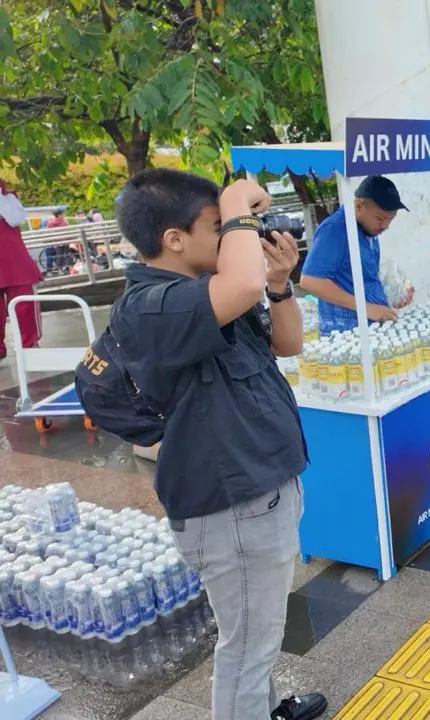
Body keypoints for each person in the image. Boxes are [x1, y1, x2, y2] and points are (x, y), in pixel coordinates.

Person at [111, 169, 325, 720]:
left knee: (258, 631)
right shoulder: (151, 305)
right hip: (231, 508)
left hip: (258, 491)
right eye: (219, 226)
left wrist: (280, 283)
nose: (236, 236)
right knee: (247, 648)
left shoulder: (203, 292)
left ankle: (267, 709)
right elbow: (243, 285)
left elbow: (288, 342)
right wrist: (237, 205)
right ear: (174, 238)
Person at [299, 175, 411, 334]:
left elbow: (363, 280)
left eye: (390, 219)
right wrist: (366, 308)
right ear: (359, 206)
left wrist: (393, 296)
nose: (385, 226)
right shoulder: (335, 230)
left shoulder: (367, 230)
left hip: (372, 329)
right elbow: (311, 281)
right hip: (346, 334)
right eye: (380, 218)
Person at [0, 182, 41, 361]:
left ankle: (29, 347)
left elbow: (14, 219)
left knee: (25, 305)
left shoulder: (9, 197)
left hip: (15, 262)